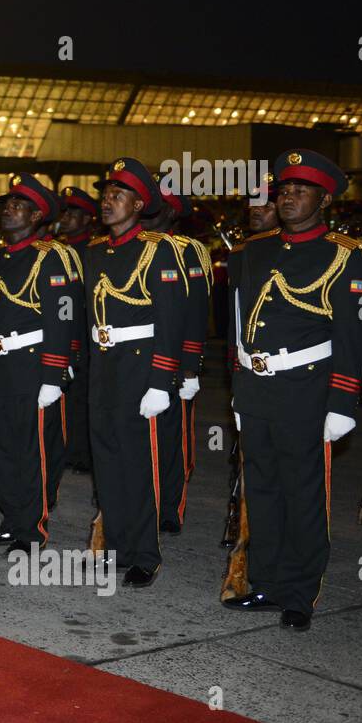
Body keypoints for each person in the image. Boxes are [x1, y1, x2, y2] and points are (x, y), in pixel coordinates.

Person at [226, 149, 362, 630]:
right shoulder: (256, 249)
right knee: (262, 490)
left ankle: (298, 594)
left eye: (300, 189)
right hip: (258, 386)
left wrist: (343, 401)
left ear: (324, 198)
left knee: (303, 494)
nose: (288, 196)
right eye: (283, 189)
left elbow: (354, 333)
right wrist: (239, 386)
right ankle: (265, 580)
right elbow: (239, 323)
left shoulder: (346, 254)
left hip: (306, 389)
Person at [82, 157, 188, 587]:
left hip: (141, 367)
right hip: (103, 364)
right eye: (106, 195)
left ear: (140, 203)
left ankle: (145, 553)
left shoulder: (161, 250)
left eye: (118, 195)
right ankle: (116, 546)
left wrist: (162, 380)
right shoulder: (93, 252)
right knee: (106, 460)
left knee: (140, 465)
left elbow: (171, 319)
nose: (108, 202)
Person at [0, 175, 78, 550]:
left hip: (34, 366)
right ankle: (11, 517)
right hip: (1, 364)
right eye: (6, 204)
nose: (7, 210)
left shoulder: (54, 257)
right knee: (4, 446)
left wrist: (54, 373)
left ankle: (32, 529)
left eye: (17, 206)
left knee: (33, 450)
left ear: (37, 216)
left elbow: (62, 318)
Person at [142, 186, 212, 536]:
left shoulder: (188, 250)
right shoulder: (128, 246)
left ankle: (170, 506)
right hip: (133, 358)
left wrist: (190, 364)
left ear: (170, 213)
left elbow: (196, 310)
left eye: (157, 208)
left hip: (172, 359)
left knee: (173, 437)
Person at [57, 186, 97, 473]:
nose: (67, 218)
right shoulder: (58, 251)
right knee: (63, 393)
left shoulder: (93, 251)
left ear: (87, 220)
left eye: (74, 213)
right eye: (66, 212)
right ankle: (67, 447)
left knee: (83, 395)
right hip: (62, 332)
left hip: (85, 334)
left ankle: (81, 452)